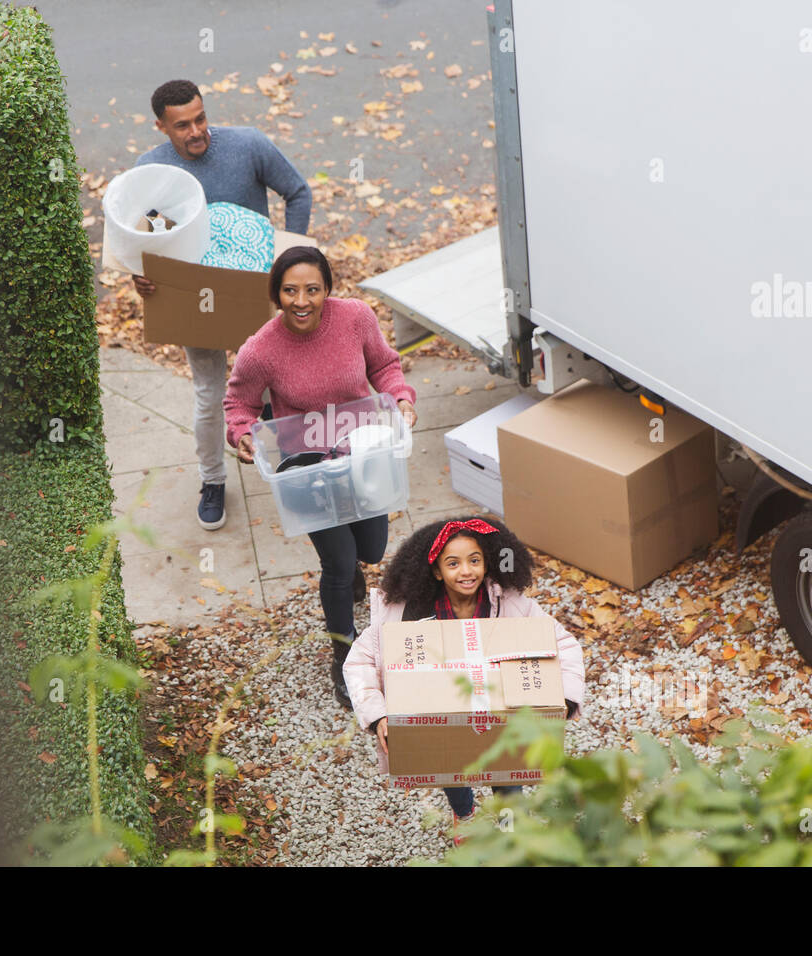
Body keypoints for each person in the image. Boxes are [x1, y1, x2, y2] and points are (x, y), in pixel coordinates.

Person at [224, 246, 417, 710]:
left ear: (328, 289)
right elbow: (239, 404)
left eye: (312, 289)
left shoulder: (355, 319)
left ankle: (352, 569)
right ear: (276, 295)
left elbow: (384, 366)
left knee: (370, 550)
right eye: (290, 291)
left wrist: (401, 397)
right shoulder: (261, 349)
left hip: (363, 455)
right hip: (307, 468)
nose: (301, 300)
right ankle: (343, 652)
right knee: (338, 559)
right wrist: (243, 434)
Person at [130, 79, 312, 531]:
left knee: (277, 386)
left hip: (254, 293)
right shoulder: (150, 169)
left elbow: (299, 192)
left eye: (201, 118)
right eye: (182, 125)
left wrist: (288, 261)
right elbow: (142, 235)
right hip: (195, 303)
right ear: (161, 127)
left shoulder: (247, 145)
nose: (196, 132)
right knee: (211, 396)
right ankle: (213, 481)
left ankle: (294, 463)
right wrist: (142, 275)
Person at [342, 516, 586, 844]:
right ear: (436, 571)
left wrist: (566, 698)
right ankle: (465, 813)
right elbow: (359, 661)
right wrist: (377, 715)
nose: (466, 571)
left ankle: (510, 831)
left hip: (504, 717)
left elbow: (564, 645)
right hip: (443, 719)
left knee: (509, 775)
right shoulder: (404, 614)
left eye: (474, 561)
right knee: (451, 766)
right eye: (453, 563)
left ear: (487, 563)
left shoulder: (511, 605)